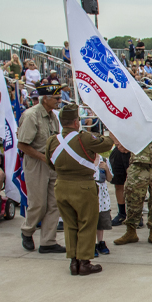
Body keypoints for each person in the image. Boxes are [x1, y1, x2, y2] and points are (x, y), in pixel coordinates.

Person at [46, 105, 114, 275]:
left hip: (61, 186)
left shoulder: (52, 141)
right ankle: (84, 261)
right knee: (86, 223)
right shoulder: (85, 138)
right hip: (83, 186)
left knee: (70, 224)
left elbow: (49, 163)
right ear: (76, 122)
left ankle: (73, 261)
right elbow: (107, 144)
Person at [113, 93, 152, 247]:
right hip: (138, 165)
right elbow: (124, 135)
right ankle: (131, 231)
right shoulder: (132, 117)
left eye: (151, 100)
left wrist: (141, 134)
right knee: (133, 199)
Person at [16, 83, 64, 254]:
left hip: (52, 163)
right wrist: (43, 157)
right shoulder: (31, 116)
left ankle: (48, 241)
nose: (60, 101)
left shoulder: (53, 116)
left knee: (54, 203)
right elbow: (22, 144)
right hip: (36, 163)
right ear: (46, 98)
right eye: (57, 98)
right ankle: (27, 231)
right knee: (38, 203)